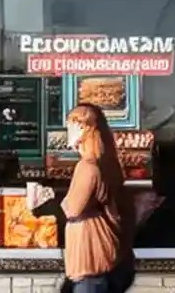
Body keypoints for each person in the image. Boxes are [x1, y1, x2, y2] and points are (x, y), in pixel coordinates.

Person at [29, 104, 135, 293]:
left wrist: (50, 199)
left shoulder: (87, 167)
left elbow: (73, 209)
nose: (67, 132)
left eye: (70, 126)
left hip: (89, 259)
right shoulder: (104, 164)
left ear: (85, 128)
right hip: (101, 257)